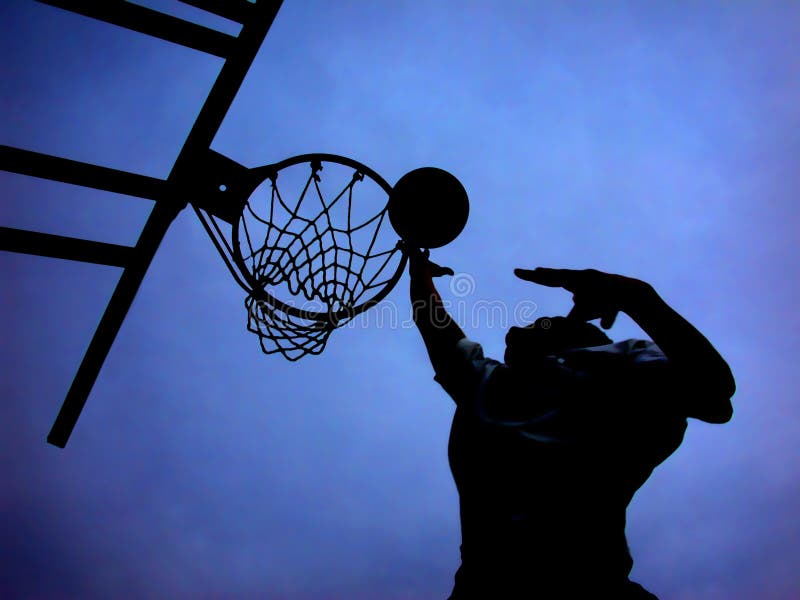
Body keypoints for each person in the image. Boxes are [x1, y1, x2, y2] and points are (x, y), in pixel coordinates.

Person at [407, 248, 735, 599]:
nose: (517, 327)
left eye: (540, 322)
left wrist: (633, 295)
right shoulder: (487, 382)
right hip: (573, 582)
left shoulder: (620, 373)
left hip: (504, 583)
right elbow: (434, 322)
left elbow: (714, 396)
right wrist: (419, 272)